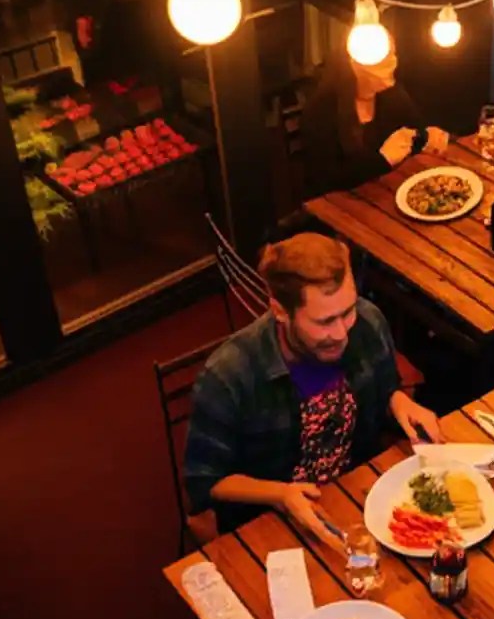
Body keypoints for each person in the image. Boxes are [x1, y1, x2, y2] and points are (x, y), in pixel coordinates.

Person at [183, 233, 443, 548]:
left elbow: (386, 389)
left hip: (359, 495)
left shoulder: (368, 323)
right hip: (271, 522)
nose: (341, 333)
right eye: (323, 322)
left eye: (347, 311)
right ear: (280, 311)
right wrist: (281, 493)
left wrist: (398, 401)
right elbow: (205, 481)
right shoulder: (228, 375)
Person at [302, 34, 450, 198]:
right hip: (341, 207)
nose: (392, 66)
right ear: (357, 68)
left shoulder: (390, 95)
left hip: (387, 196)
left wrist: (429, 136)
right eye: (382, 62)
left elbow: (415, 132)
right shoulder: (322, 109)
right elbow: (325, 180)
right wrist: (382, 160)